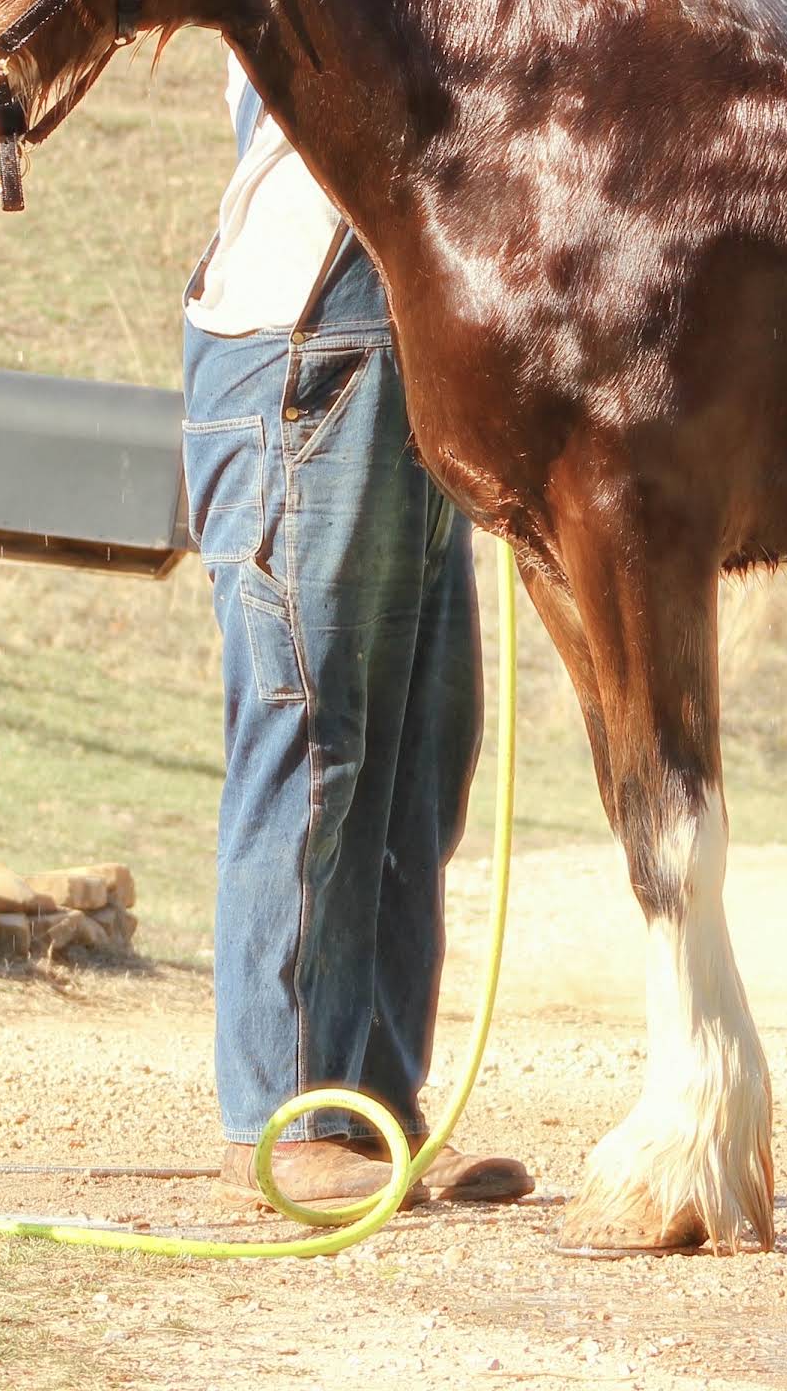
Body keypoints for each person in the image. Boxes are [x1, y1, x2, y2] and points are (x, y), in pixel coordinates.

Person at [181, 59, 532, 1210]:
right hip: (306, 346)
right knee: (312, 737)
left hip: (410, 350)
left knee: (419, 754)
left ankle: (374, 1108)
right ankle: (281, 1118)